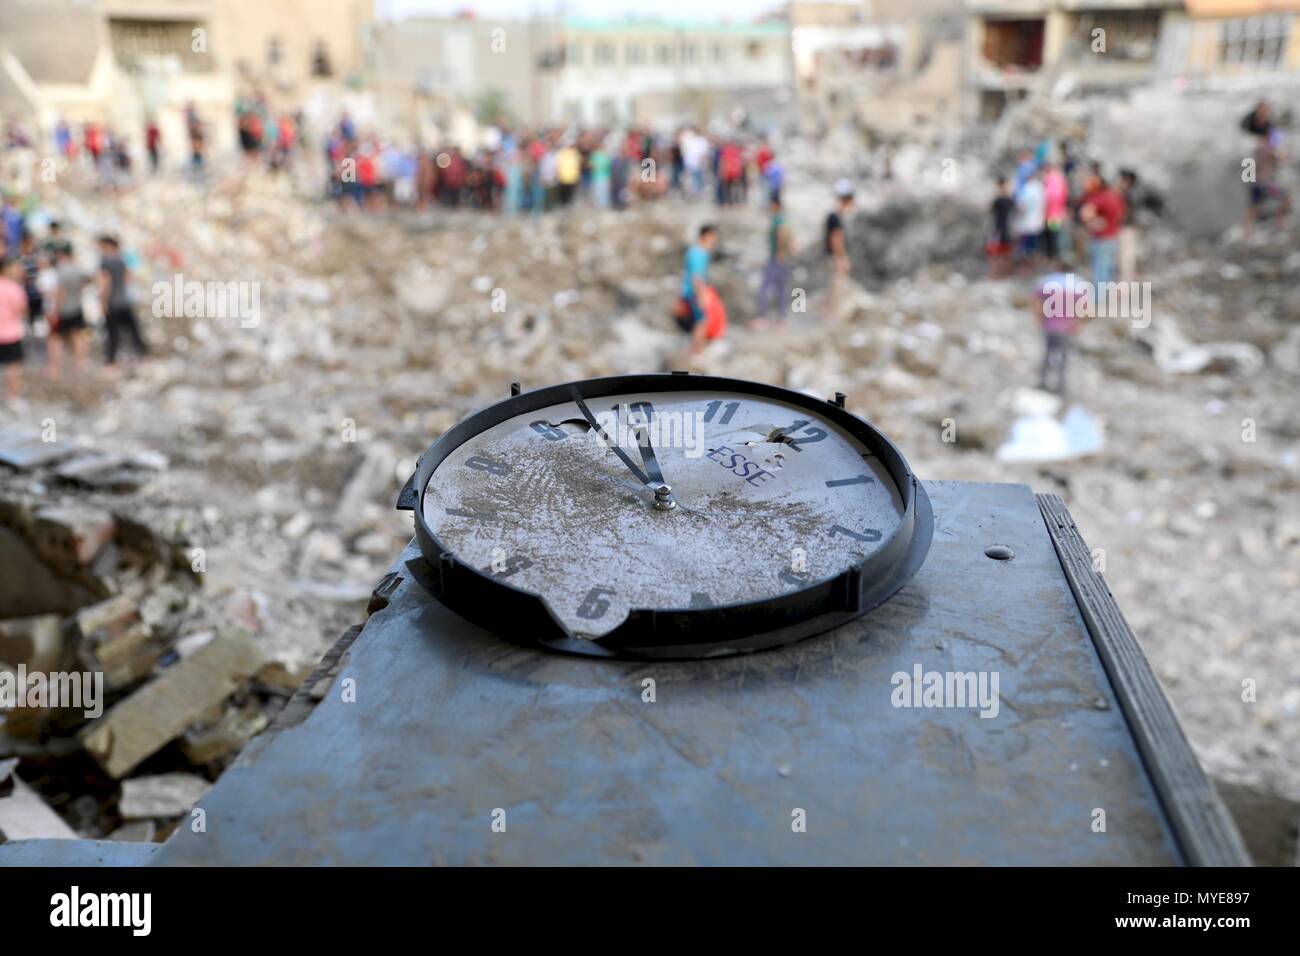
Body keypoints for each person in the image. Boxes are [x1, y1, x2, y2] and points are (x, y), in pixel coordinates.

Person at [97, 235, 148, 366]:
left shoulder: (105, 262)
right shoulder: (122, 260)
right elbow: (128, 278)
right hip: (124, 300)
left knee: (112, 332)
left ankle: (111, 360)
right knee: (133, 330)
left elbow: (105, 283)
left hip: (112, 301)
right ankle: (142, 354)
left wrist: (103, 301)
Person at [1035, 272, 1086, 398]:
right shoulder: (1075, 288)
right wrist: (1078, 324)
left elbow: (1036, 301)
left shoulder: (1048, 285)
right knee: (1063, 357)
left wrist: (1039, 319)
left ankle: (1043, 381)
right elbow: (1082, 308)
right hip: (1065, 328)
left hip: (1050, 326)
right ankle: (1060, 385)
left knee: (1047, 354)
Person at [48, 245, 90, 378]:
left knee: (55, 339)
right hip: (77, 307)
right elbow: (84, 284)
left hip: (64, 309)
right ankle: (81, 365)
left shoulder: (61, 271)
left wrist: (55, 311)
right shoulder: (77, 270)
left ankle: (56, 368)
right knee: (78, 336)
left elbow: (60, 293)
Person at [1079, 173, 1125, 286]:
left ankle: (1099, 299)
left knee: (1099, 271)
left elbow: (1085, 213)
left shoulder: (1098, 198)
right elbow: (1122, 214)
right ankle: (1105, 297)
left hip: (1101, 239)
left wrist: (1092, 223)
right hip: (1113, 237)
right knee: (1107, 269)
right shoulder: (1115, 196)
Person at [756, 197, 794, 326]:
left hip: (777, 258)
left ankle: (763, 317)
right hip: (782, 257)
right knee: (781, 288)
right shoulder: (783, 219)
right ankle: (782, 317)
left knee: (765, 287)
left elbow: (781, 236)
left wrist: (779, 253)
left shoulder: (778, 220)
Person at [681, 224, 718, 354]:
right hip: (694, 292)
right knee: (701, 322)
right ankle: (697, 352)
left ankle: (697, 351)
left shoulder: (699, 252)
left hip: (694, 291)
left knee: (700, 321)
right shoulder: (698, 253)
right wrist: (701, 295)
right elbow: (696, 276)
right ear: (705, 236)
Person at [825, 181, 854, 320]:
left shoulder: (834, 216)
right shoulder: (835, 217)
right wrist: (841, 258)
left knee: (835, 287)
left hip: (832, 257)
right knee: (837, 288)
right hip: (834, 257)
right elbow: (836, 239)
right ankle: (833, 318)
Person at [0, 257, 27, 401]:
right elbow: (21, 311)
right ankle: (14, 398)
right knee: (13, 368)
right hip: (11, 334)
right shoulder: (14, 288)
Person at [1014, 167, 1046, 270]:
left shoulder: (1028, 188)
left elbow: (1022, 205)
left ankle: (1029, 264)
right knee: (1035, 242)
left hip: (1028, 221)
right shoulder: (1039, 187)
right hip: (1037, 219)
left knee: (1028, 244)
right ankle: (1034, 263)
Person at [987, 177, 1015, 279]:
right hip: (1004, 229)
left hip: (1000, 229)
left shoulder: (1000, 199)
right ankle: (1000, 274)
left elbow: (989, 210)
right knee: (1002, 254)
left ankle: (997, 274)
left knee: (998, 254)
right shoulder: (1007, 199)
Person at [1117, 169, 1140, 281]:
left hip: (1127, 228)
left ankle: (1125, 281)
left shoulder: (1128, 195)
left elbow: (1124, 213)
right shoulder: (1132, 193)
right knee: (1127, 255)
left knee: (1126, 255)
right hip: (1128, 227)